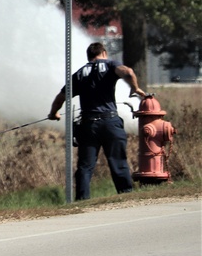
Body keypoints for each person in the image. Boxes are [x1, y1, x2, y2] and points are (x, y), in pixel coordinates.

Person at [48, 42, 146, 200]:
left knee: (85, 167)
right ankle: (126, 197)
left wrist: (54, 113)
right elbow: (128, 72)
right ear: (104, 53)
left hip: (89, 126)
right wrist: (135, 88)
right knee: (118, 163)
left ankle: (82, 200)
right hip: (110, 122)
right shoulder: (110, 65)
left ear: (89, 57)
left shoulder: (80, 73)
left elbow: (60, 97)